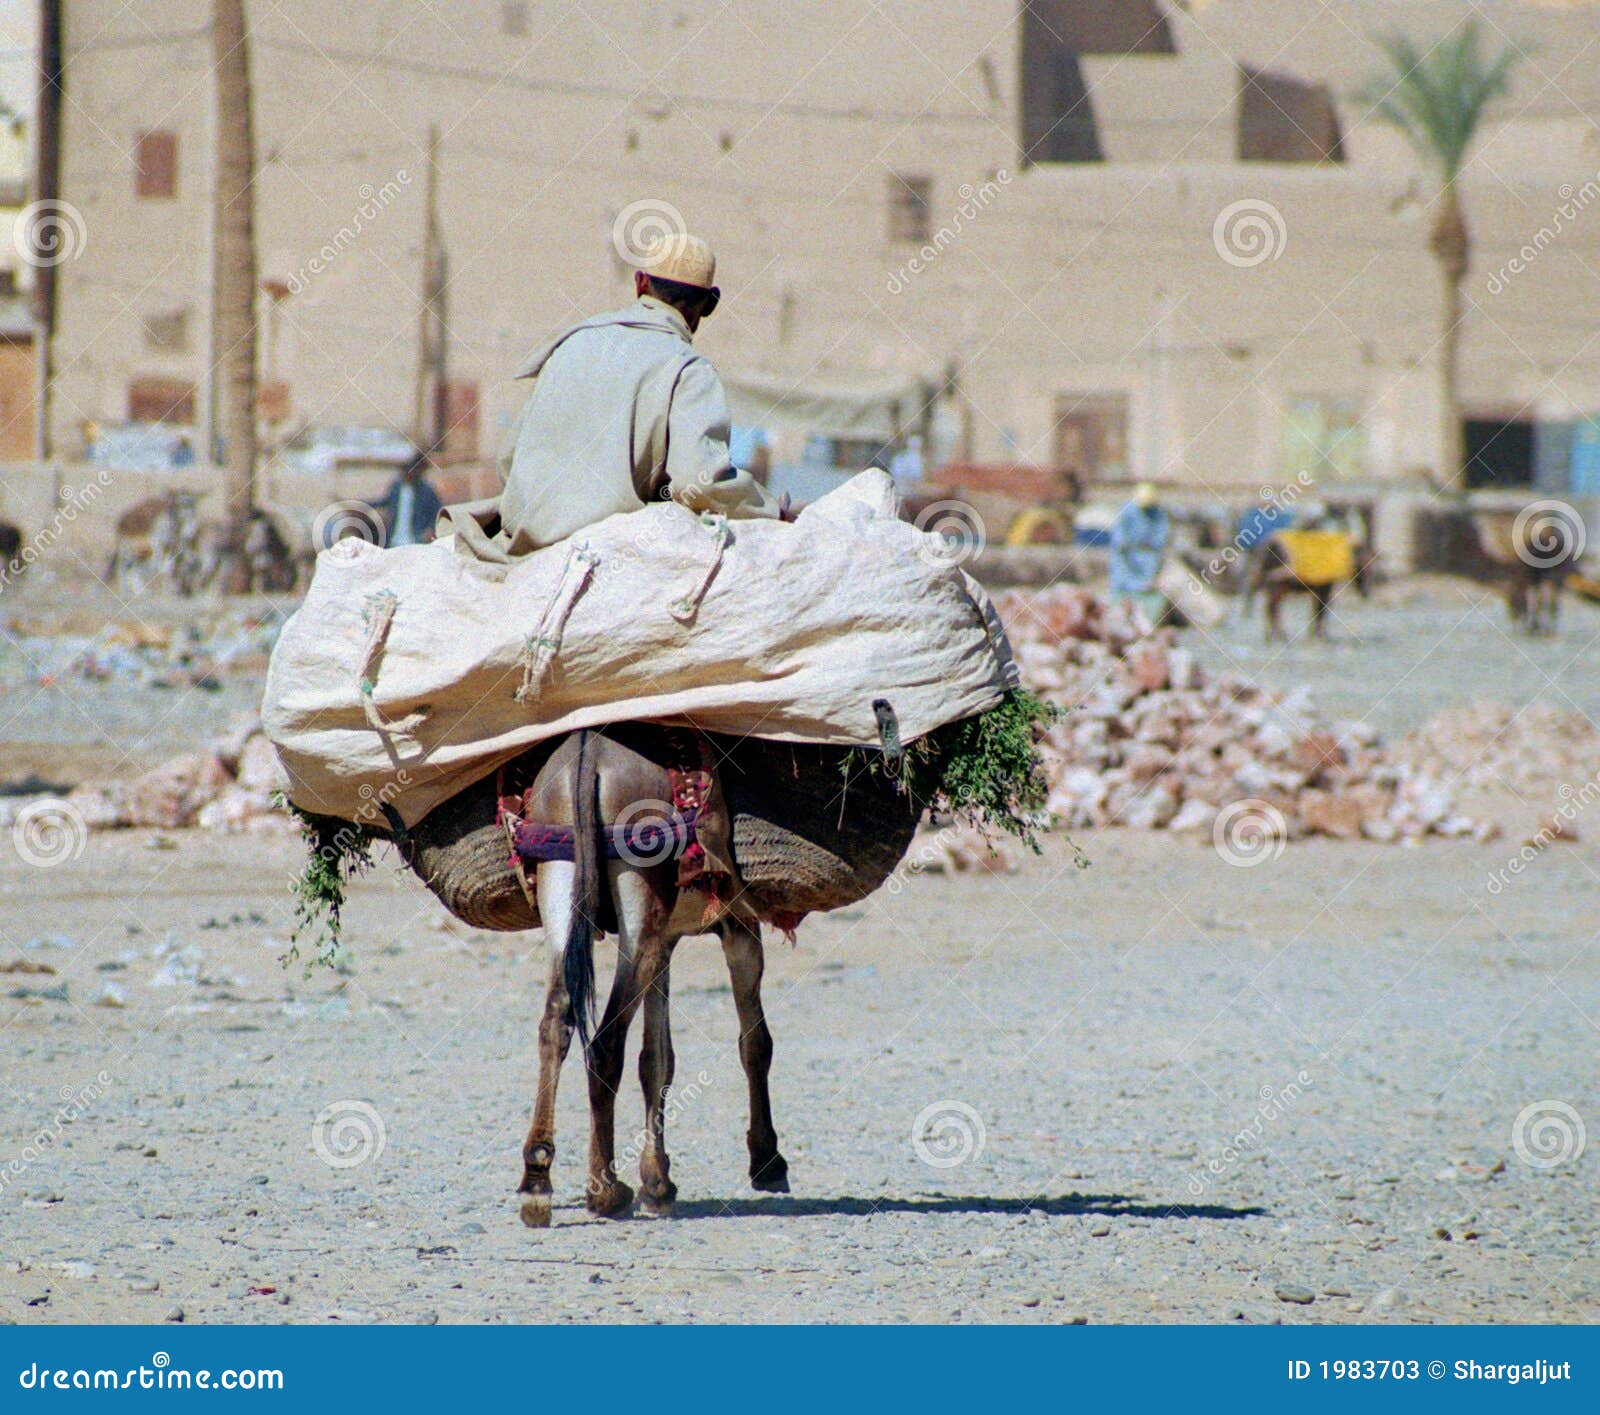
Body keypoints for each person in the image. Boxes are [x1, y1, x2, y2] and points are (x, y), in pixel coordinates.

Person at [492, 229, 781, 556]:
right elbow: (697, 481)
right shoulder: (689, 370)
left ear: (641, 283)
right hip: (607, 554)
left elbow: (508, 460)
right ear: (710, 303)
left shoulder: (571, 343)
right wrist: (770, 509)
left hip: (522, 544)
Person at [1109, 481, 1170, 619]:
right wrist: (1124, 543)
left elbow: (1162, 535)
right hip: (1126, 554)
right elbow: (1119, 534)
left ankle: (1147, 615)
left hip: (1147, 554)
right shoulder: (1126, 511)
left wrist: (1151, 544)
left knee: (1147, 586)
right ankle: (1121, 612)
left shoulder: (1158, 514)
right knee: (1122, 583)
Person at [376, 453, 443, 547]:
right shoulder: (396, 487)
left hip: (416, 540)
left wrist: (431, 529)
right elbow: (385, 501)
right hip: (394, 541)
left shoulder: (426, 491)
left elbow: (438, 511)